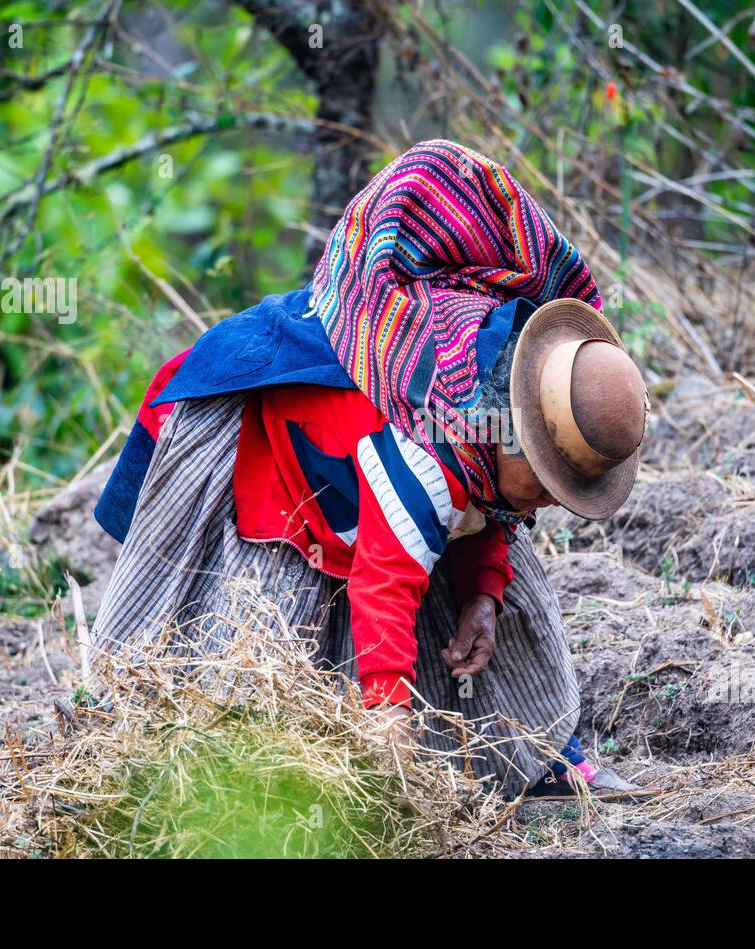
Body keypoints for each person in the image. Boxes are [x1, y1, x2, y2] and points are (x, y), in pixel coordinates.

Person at [91, 140, 649, 798]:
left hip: (387, 479)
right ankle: (162, 759)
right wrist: (387, 728)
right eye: (552, 480)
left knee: (509, 594)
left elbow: (490, 508)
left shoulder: (499, 401)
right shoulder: (435, 436)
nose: (552, 501)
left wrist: (483, 595)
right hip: (279, 454)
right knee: (249, 673)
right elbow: (384, 584)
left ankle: (538, 750)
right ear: (514, 436)